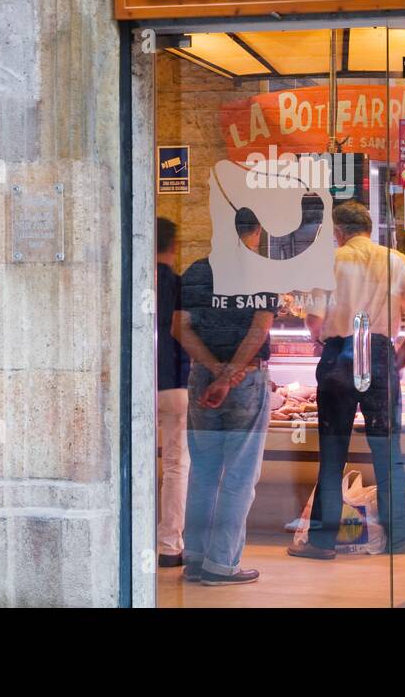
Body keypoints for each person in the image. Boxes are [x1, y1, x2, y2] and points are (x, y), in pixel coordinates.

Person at [290, 201, 405, 561]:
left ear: (338, 233)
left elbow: (313, 319)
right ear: (369, 229)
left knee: (333, 455)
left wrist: (322, 339)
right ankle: (398, 538)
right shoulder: (395, 260)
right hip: (380, 354)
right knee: (387, 453)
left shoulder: (329, 262)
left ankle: (322, 544)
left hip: (341, 355)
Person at [172, 208, 277, 586]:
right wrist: (232, 374)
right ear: (257, 231)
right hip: (245, 383)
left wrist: (216, 372)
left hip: (203, 378)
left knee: (203, 472)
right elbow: (259, 330)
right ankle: (221, 565)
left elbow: (179, 328)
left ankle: (196, 559)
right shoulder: (262, 271)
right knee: (238, 477)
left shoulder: (198, 271)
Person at [155, 217, 191, 568]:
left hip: (137, 388)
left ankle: (129, 531)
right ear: (174, 246)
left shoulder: (130, 284)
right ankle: (169, 545)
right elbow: (189, 334)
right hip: (177, 384)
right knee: (176, 465)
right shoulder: (182, 286)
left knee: (130, 462)